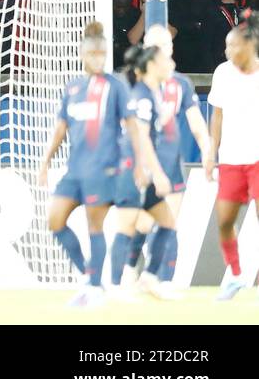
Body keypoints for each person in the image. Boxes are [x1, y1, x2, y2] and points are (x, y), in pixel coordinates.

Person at [38, 22, 161, 307]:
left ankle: (93, 287)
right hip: (74, 170)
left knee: (95, 227)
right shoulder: (73, 87)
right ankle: (89, 276)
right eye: (92, 53)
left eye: (101, 54)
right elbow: (60, 128)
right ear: (82, 54)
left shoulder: (115, 85)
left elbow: (132, 126)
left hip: (103, 168)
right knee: (55, 221)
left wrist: (140, 164)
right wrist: (45, 161)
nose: (97, 58)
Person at [122, 24, 214, 297]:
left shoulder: (181, 84)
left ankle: (154, 277)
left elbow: (196, 122)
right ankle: (127, 271)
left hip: (170, 161)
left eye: (167, 47)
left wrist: (207, 148)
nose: (164, 52)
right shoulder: (135, 83)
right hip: (142, 162)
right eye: (158, 47)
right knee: (141, 222)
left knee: (169, 221)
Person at [209, 10, 259, 300]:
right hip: (230, 159)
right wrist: (210, 153)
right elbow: (217, 116)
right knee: (224, 221)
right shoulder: (222, 72)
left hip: (257, 159)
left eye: (233, 46)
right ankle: (236, 276)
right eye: (227, 46)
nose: (228, 51)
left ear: (249, 47)